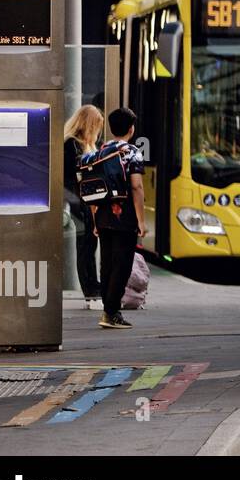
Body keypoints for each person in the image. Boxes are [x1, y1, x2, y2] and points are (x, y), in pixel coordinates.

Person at [95, 107, 146, 330]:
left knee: (106, 262)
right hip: (124, 217)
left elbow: (94, 187)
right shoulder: (133, 152)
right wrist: (141, 220)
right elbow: (136, 186)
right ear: (131, 129)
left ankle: (108, 308)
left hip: (103, 214)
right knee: (122, 264)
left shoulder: (102, 150)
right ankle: (111, 312)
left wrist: (95, 216)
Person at [64, 105, 104, 306]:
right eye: (96, 126)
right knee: (85, 247)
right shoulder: (72, 145)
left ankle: (93, 288)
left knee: (90, 245)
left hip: (87, 201)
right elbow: (73, 176)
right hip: (79, 202)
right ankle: (90, 291)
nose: (98, 131)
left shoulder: (84, 145)